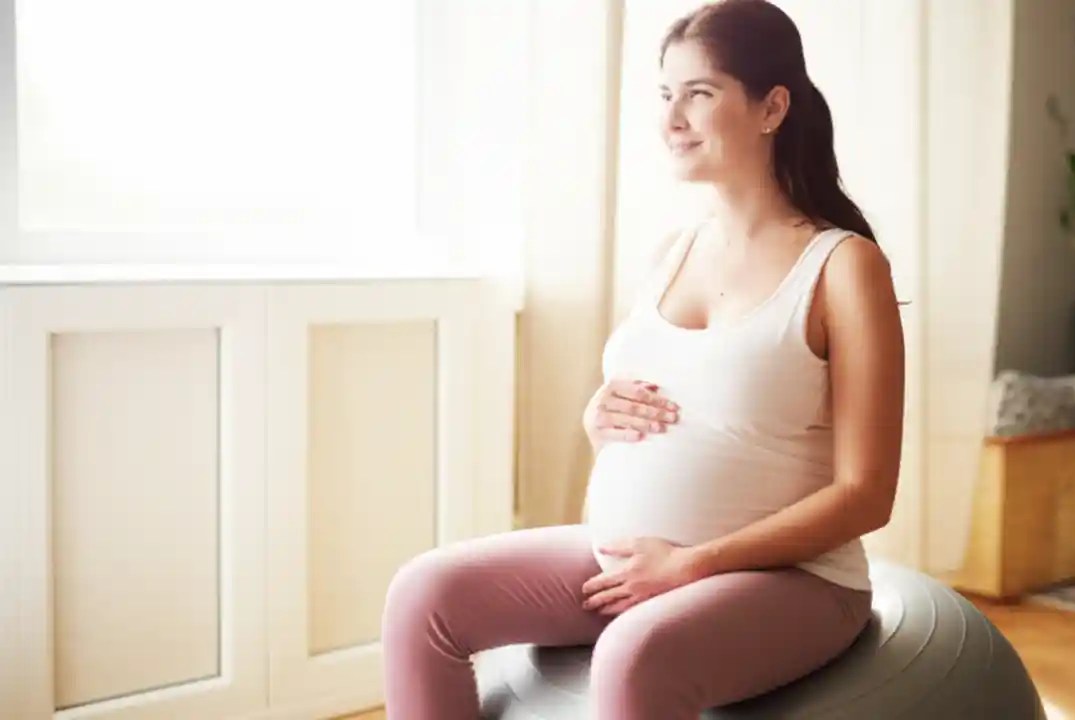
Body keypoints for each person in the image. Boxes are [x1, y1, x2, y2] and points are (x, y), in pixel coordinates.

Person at [380, 1, 905, 717]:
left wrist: (694, 564)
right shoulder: (671, 254)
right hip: (633, 562)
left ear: (772, 107)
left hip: (798, 582)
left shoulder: (843, 267)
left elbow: (868, 494)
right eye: (665, 95)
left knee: (632, 657)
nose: (672, 119)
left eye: (700, 93)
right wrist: (600, 419)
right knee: (422, 596)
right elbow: (688, 408)